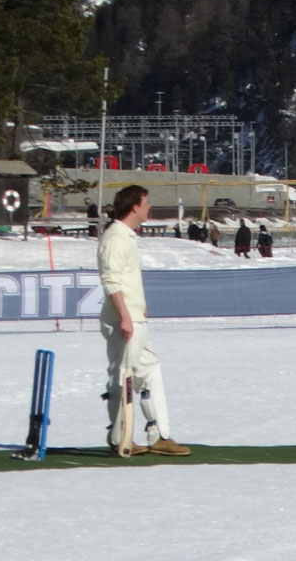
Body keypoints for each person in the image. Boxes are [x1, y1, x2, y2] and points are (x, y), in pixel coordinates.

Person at [98, 185, 191, 458]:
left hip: (135, 317)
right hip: (124, 320)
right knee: (122, 374)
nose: (149, 207)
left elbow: (125, 280)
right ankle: (119, 437)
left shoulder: (126, 236)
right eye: (146, 202)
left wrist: (139, 307)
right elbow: (111, 281)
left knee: (150, 370)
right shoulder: (115, 237)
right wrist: (125, 316)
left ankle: (159, 435)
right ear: (134, 206)